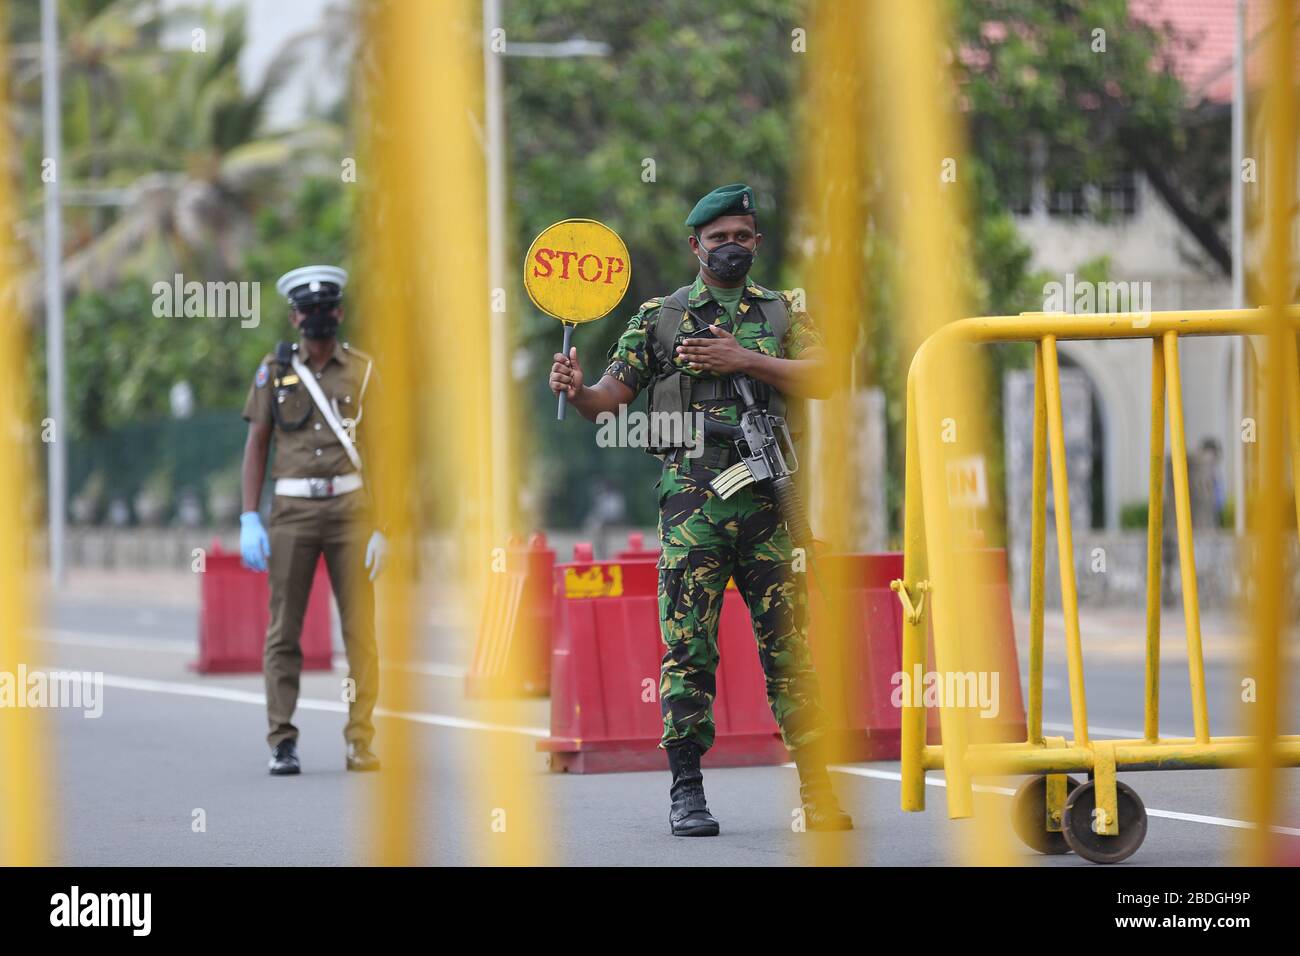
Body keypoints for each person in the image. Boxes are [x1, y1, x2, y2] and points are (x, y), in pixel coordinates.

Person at [548, 183, 853, 835]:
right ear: (696, 246)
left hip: (769, 501)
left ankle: (818, 791)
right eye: (720, 239)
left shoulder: (781, 314)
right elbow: (611, 398)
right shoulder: (662, 317)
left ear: (757, 242)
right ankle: (687, 790)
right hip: (693, 503)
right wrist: (577, 393)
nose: (732, 248)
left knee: (791, 650)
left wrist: (744, 359)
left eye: (743, 236)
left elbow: (830, 377)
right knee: (688, 650)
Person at [239, 264, 387, 775]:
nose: (319, 317)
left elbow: (383, 453)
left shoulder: (363, 371)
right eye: (310, 310)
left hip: (350, 511)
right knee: (284, 630)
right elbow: (257, 443)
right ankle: (282, 740)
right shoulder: (273, 370)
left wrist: (385, 527)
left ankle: (359, 740)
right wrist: (247, 517)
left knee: (360, 633)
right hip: (292, 513)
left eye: (327, 308)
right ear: (295, 316)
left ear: (339, 312)